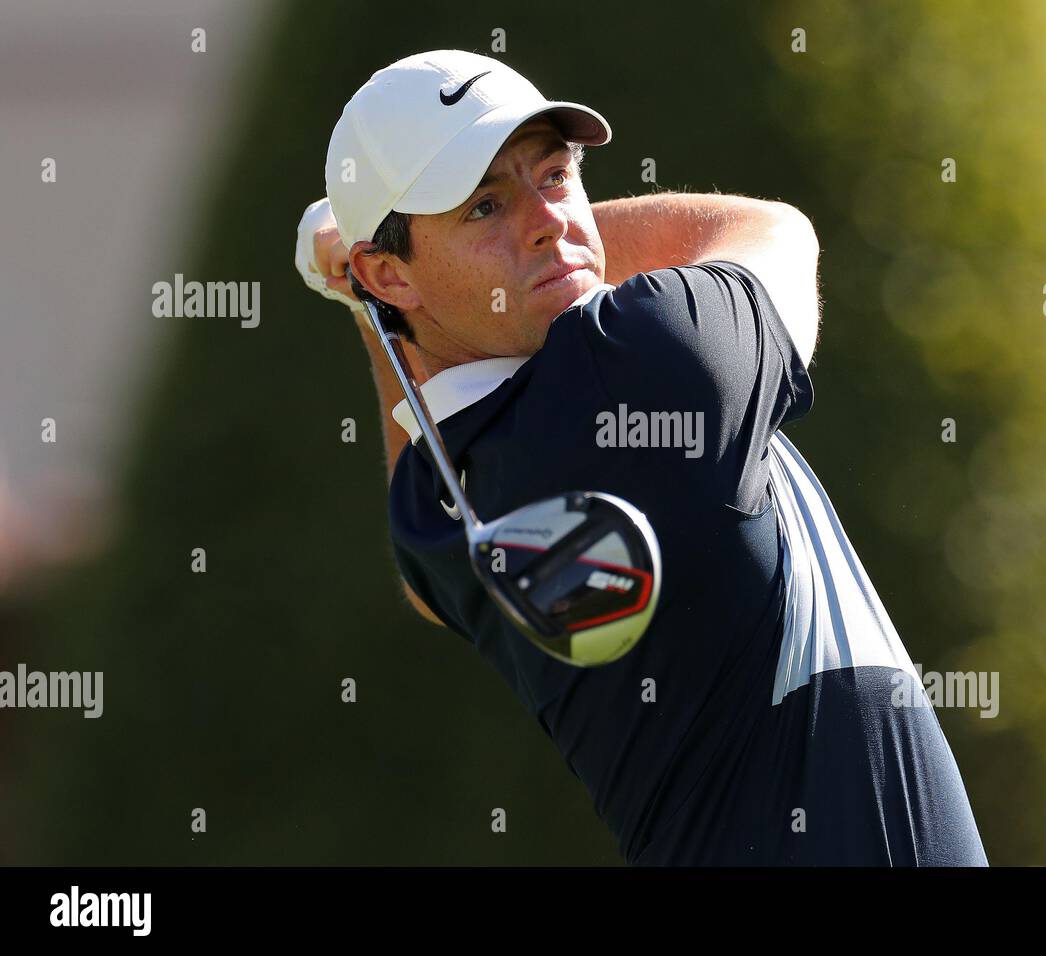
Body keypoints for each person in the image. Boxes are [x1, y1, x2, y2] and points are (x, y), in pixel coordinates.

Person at [295, 49, 988, 866]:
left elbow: (426, 583)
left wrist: (375, 295)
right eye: (484, 205)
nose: (549, 218)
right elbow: (774, 231)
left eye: (554, 175)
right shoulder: (651, 351)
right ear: (387, 270)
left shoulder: (431, 511)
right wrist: (376, 278)